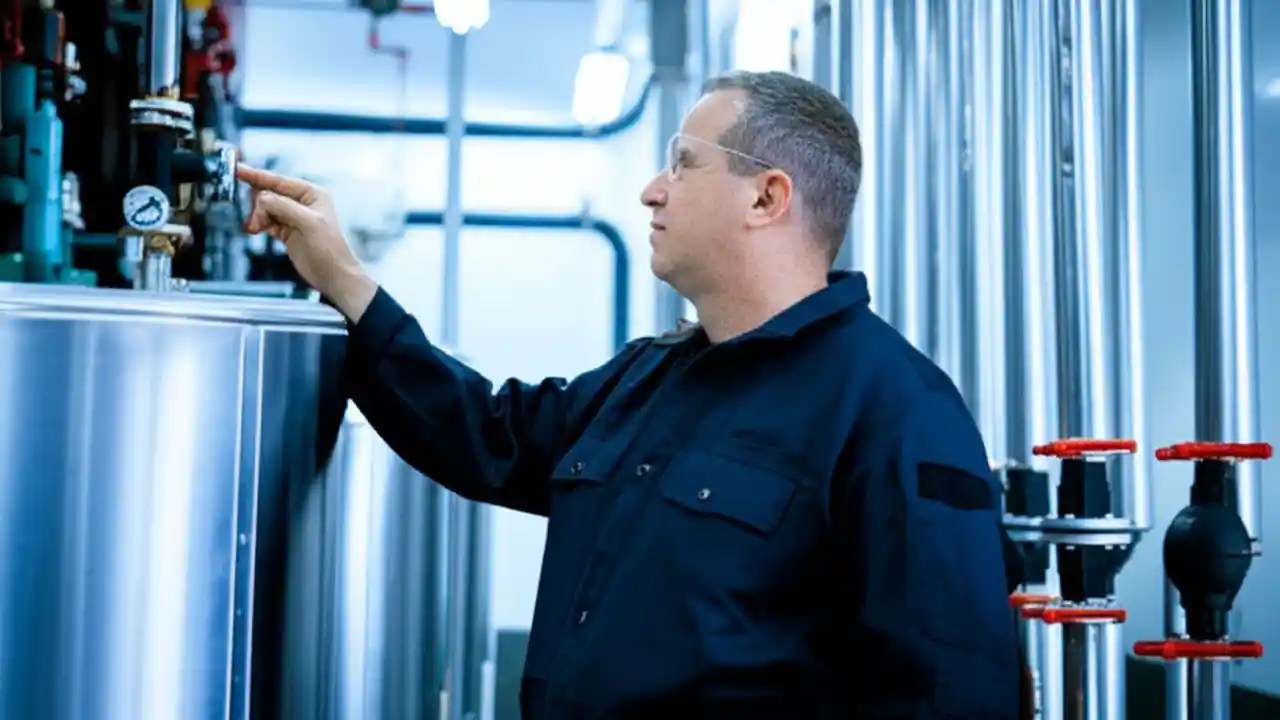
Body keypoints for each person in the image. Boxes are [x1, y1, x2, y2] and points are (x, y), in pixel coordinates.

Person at [238, 70, 1022, 719]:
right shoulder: (649, 378)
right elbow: (485, 434)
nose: (652, 190)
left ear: (766, 198)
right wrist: (344, 282)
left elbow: (949, 692)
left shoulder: (898, 413)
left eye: (684, 163)